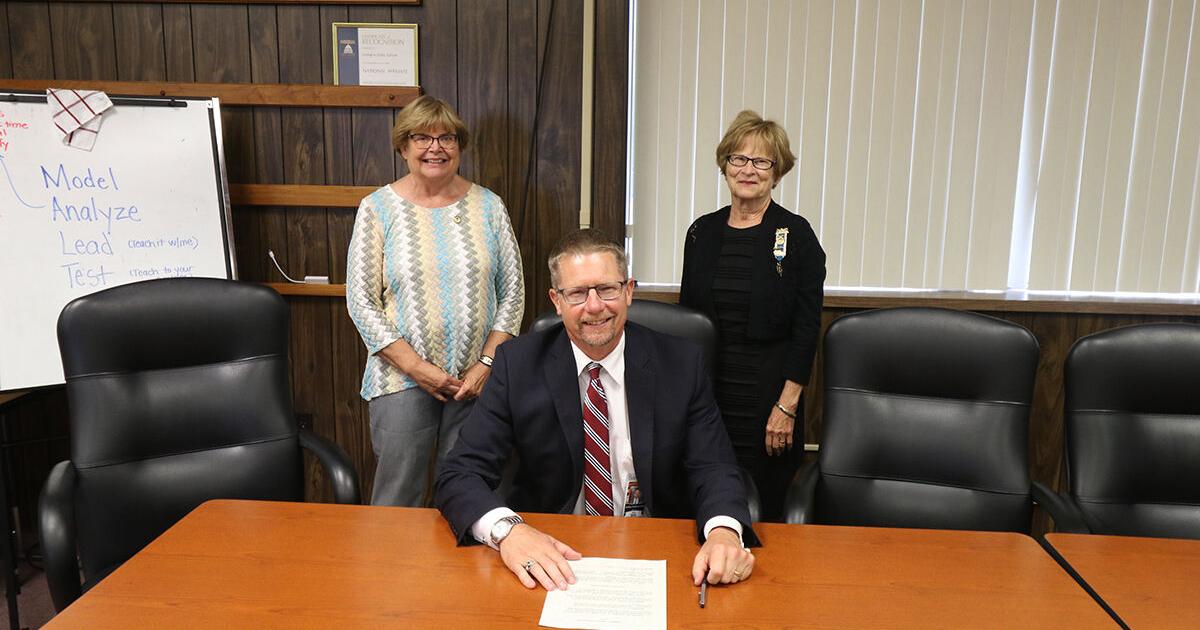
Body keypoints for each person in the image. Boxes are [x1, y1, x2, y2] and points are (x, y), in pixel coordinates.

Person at [435, 229, 759, 592]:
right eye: (577, 293)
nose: (594, 306)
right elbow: (459, 474)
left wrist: (724, 533)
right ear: (556, 301)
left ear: (628, 291)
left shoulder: (681, 363)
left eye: (607, 289)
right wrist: (509, 532)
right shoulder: (518, 366)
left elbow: (713, 465)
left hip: (662, 551)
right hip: (552, 550)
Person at [346, 95, 524, 507]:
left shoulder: (489, 206)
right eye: (421, 137)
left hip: (475, 383)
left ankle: (463, 574)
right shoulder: (377, 209)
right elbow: (360, 301)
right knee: (398, 496)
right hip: (400, 379)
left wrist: (487, 365)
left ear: (459, 147)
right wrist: (418, 368)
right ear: (403, 147)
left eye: (447, 138)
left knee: (472, 493)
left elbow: (513, 293)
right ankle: (393, 573)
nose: (435, 147)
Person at [679, 110, 826, 522]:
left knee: (769, 507)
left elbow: (806, 327)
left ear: (777, 173)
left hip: (769, 398)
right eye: (738, 159)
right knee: (704, 498)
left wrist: (787, 406)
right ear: (724, 165)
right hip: (708, 394)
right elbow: (689, 321)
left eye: (761, 161)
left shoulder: (796, 235)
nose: (748, 169)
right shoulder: (700, 233)